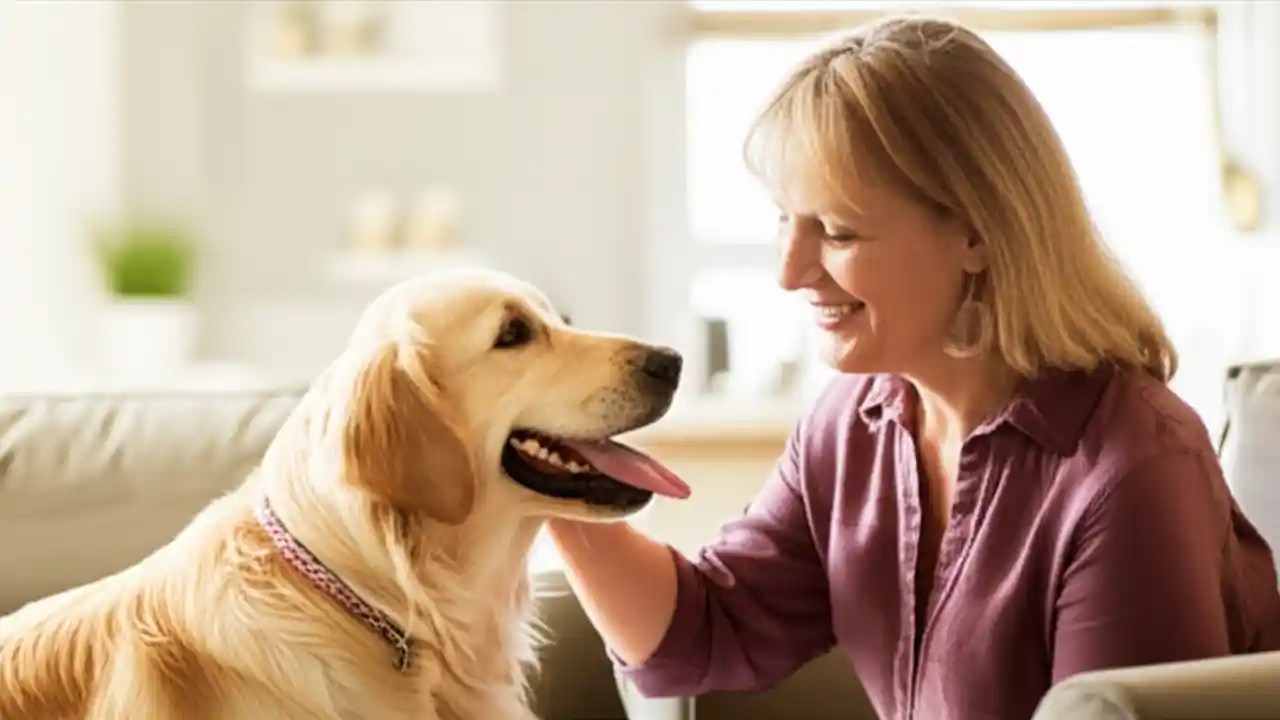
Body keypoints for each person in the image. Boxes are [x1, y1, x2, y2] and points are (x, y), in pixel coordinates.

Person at [547, 13, 1280, 720]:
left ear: (976, 234)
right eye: (783, 219)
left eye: (836, 230)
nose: (791, 270)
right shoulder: (851, 423)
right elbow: (700, 634)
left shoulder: (1132, 470)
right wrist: (553, 470)